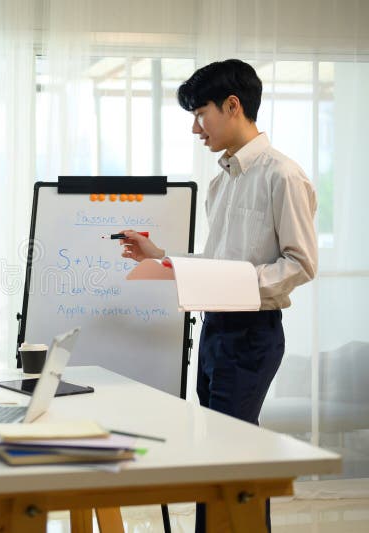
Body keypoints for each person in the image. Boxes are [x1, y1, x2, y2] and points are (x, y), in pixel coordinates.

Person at [118, 59, 317, 532]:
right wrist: (160, 255)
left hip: (251, 333)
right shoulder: (221, 181)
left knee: (232, 457)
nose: (195, 128)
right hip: (215, 329)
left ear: (233, 106)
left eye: (200, 113)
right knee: (221, 454)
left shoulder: (282, 176)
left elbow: (301, 263)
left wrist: (236, 285)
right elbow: (218, 264)